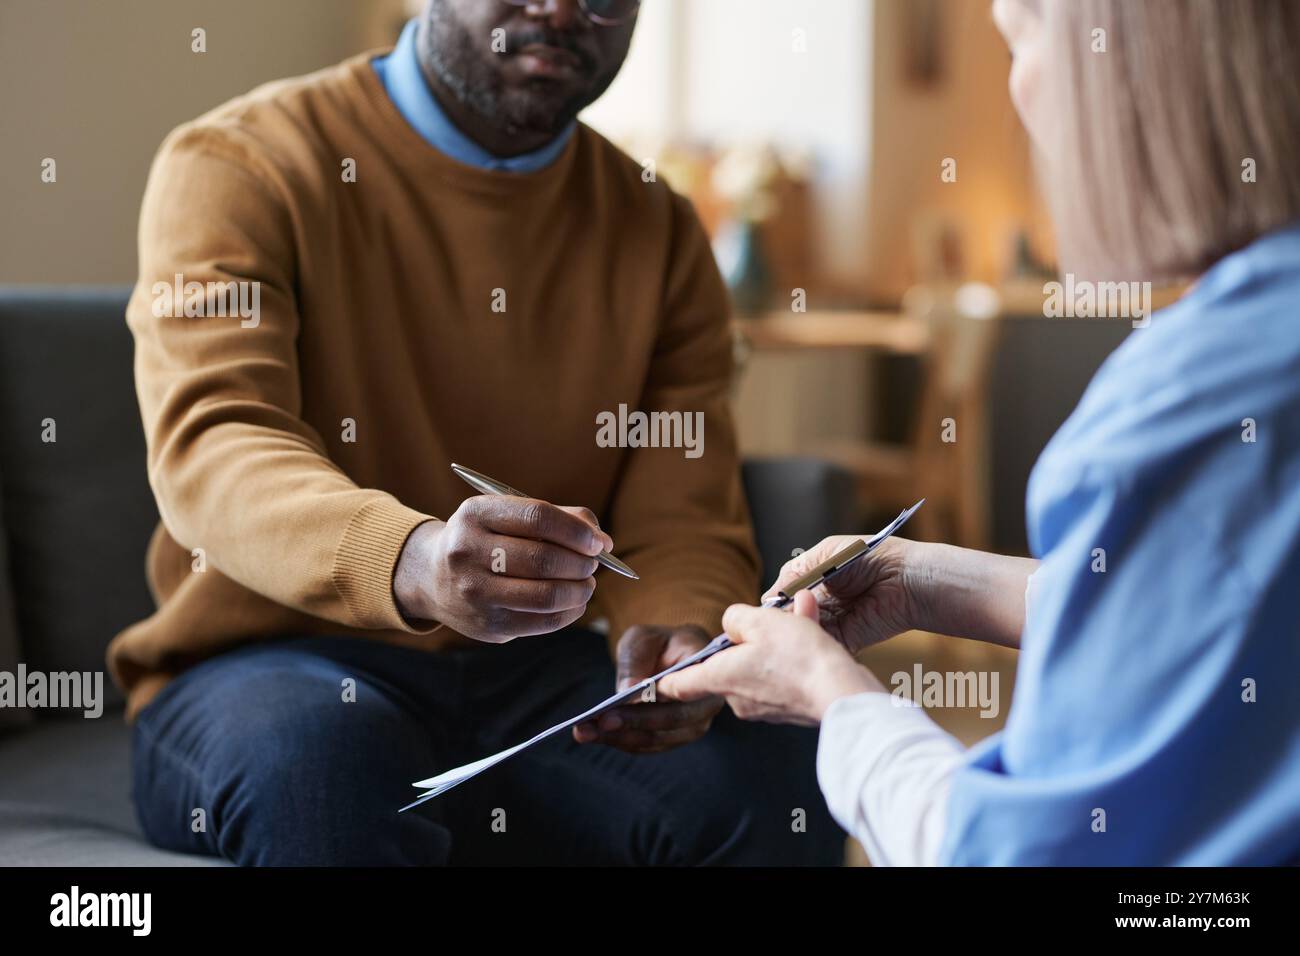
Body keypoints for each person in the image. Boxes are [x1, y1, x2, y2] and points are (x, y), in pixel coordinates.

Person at [115, 0, 841, 865]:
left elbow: (680, 506)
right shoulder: (240, 165)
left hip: (538, 678)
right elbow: (217, 441)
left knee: (777, 770)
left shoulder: (659, 227)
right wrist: (408, 558)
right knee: (323, 768)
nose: (564, 10)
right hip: (268, 663)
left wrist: (677, 635)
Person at [660, 0, 1300, 865]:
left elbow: (1026, 859)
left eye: (1017, 42)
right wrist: (924, 579)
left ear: (1125, 64)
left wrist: (834, 698)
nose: (1019, 94)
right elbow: (1209, 611)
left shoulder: (1187, 414)